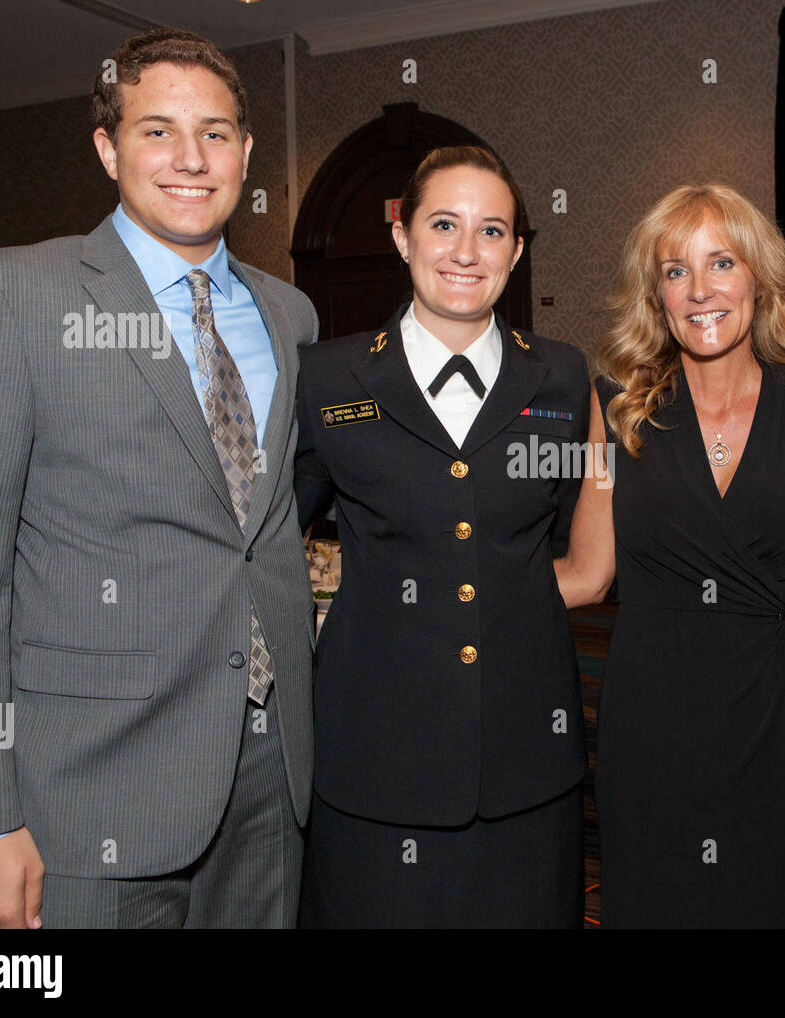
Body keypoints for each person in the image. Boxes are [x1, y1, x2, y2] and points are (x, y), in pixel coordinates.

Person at [0, 28, 317, 928]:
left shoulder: (289, 314)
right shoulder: (8, 296)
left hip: (268, 781)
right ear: (107, 148)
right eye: (156, 130)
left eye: (215, 133)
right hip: (78, 799)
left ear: (247, 153)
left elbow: (262, 527)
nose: (190, 158)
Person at [294, 146, 589, 928]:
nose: (466, 252)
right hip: (372, 767)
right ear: (403, 237)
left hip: (528, 769)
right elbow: (258, 544)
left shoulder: (563, 379)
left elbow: (612, 530)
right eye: (445, 225)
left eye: (492, 231)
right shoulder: (328, 380)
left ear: (517, 251)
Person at [555, 183, 785, 927]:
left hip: (775, 714)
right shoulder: (619, 404)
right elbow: (588, 576)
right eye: (675, 270)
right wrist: (446, 583)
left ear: (759, 276)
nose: (700, 291)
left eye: (722, 263)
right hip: (655, 715)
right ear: (655, 294)